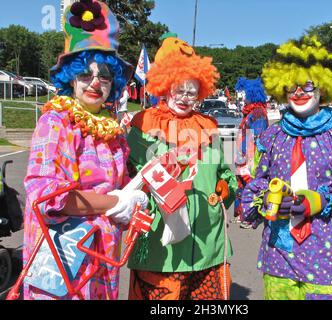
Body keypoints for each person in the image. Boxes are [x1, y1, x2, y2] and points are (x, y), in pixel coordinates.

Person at [22, 0, 148, 300]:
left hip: (103, 257)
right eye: (85, 74)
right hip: (61, 260)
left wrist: (137, 194)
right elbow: (46, 197)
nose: (95, 83)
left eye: (104, 75)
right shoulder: (56, 122)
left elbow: (119, 189)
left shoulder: (112, 130)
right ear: (71, 78)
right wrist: (114, 202)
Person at [241, 36, 332, 300]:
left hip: (326, 261)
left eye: (307, 85)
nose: (299, 92)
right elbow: (257, 181)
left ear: (322, 88)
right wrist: (262, 199)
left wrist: (321, 201)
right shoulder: (272, 136)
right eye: (292, 87)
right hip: (279, 258)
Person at [126, 35, 237, 300]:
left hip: (208, 246)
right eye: (179, 90)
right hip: (160, 250)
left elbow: (224, 173)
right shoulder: (143, 124)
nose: (186, 98)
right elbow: (130, 177)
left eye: (192, 91)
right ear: (164, 87)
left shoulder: (208, 126)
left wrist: (226, 187)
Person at [233, 77, 269, 229]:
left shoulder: (258, 112)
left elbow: (258, 137)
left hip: (251, 156)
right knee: (242, 184)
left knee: (250, 185)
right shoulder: (250, 111)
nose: (244, 97)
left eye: (246, 94)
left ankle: (250, 215)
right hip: (243, 154)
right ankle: (243, 214)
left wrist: (251, 159)